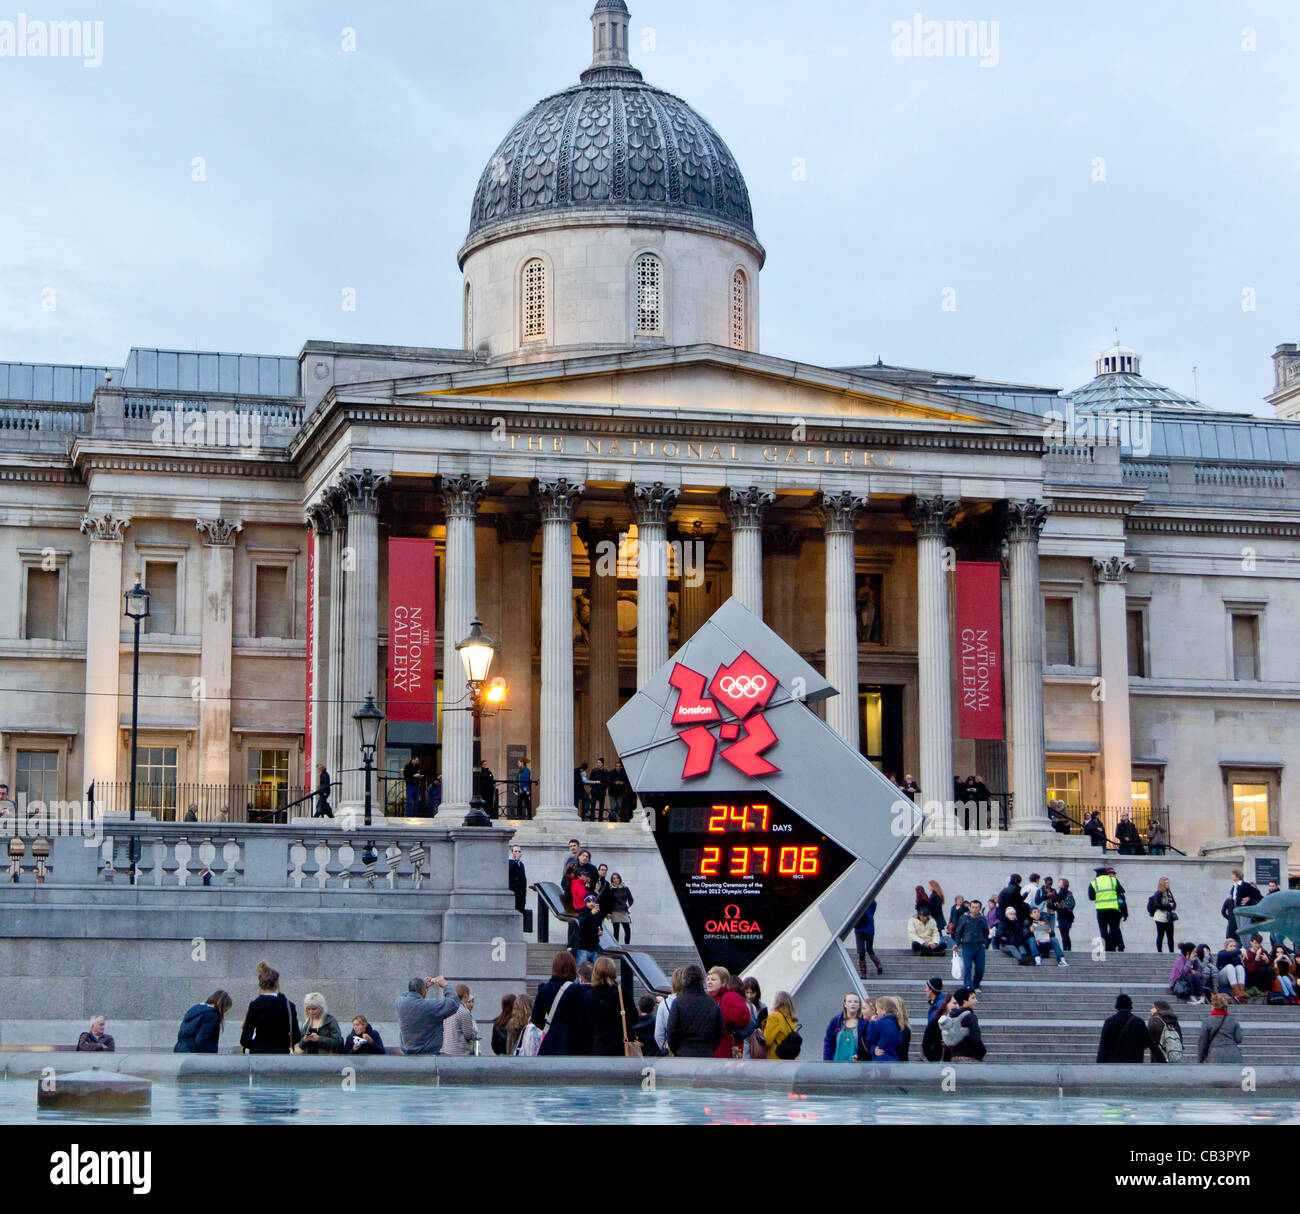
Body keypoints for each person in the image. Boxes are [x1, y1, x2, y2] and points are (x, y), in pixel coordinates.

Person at [532, 951, 592, 1056]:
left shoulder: (543, 989)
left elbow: (536, 1019)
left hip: (550, 1045)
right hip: (572, 1045)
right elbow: (584, 1021)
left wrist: (551, 1027)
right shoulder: (576, 990)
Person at [240, 962, 301, 1054]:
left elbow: (245, 1039)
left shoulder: (254, 1005)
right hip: (281, 1053)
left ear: (260, 984)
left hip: (258, 1054)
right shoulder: (288, 1006)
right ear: (277, 983)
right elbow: (296, 1036)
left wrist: (257, 1044)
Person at [666, 964, 724, 1058]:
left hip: (684, 1053)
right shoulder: (712, 1003)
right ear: (701, 980)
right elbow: (720, 1030)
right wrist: (711, 1047)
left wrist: (676, 1049)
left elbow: (671, 1031)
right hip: (706, 1053)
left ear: (684, 980)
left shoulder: (678, 1002)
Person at [394, 975, 461, 1055]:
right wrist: (445, 986)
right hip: (429, 1057)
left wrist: (421, 987)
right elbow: (453, 1003)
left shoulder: (399, 1002)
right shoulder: (429, 1007)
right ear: (423, 992)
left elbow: (406, 995)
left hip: (406, 1056)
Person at [1096, 993, 1166, 1063]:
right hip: (1135, 1063)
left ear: (1117, 1007)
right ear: (1130, 1006)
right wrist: (1163, 1061)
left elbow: (1103, 1047)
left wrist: (1099, 1065)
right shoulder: (1139, 1022)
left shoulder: (1109, 1022)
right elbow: (1151, 1044)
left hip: (1115, 1064)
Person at [706, 965, 751, 1059]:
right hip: (709, 1052)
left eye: (713, 979)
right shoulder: (706, 998)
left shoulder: (731, 996)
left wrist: (719, 1013)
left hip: (726, 1053)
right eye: (708, 979)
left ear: (723, 982)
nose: (709, 982)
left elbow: (744, 1016)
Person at [584, 956, 625, 1056]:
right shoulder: (620, 992)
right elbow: (633, 1017)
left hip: (597, 1045)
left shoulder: (589, 995)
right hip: (619, 1046)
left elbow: (585, 1022)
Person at [940, 987, 986, 1062]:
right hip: (970, 1057)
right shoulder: (970, 1017)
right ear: (965, 1001)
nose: (976, 1001)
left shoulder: (951, 1016)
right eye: (973, 998)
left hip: (954, 1057)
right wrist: (983, 1051)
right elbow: (976, 1039)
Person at [1197, 992, 1244, 1063]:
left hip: (1215, 1055)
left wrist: (1200, 1060)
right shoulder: (1233, 1020)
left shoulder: (1207, 1021)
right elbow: (1239, 1039)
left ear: (1213, 1006)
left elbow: (1202, 1042)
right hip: (1234, 1055)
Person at [1089, 865, 1127, 952]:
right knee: (1114, 929)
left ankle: (1107, 948)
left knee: (1103, 930)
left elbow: (1091, 897)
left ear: (1097, 874)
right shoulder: (1113, 880)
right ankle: (1115, 947)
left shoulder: (1094, 883)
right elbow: (1121, 893)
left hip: (1101, 909)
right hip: (1113, 908)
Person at [954, 899, 989, 990]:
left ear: (980, 908)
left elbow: (986, 931)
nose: (974, 909)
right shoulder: (964, 918)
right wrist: (957, 943)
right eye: (972, 907)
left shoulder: (982, 919)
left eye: (976, 907)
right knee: (968, 967)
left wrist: (985, 943)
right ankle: (968, 986)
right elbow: (958, 932)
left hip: (979, 946)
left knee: (980, 969)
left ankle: (976, 984)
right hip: (967, 945)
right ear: (970, 907)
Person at [823, 992, 868, 1061]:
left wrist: (861, 1058)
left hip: (856, 1066)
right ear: (845, 1004)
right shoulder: (836, 1021)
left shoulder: (864, 1023)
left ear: (859, 1005)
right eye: (849, 1001)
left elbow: (867, 1045)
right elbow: (828, 1042)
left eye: (856, 1002)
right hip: (836, 1064)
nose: (853, 1004)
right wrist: (827, 1061)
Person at [864, 995, 908, 1062]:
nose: (877, 1012)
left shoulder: (880, 1022)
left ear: (883, 1010)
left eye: (878, 1009)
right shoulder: (897, 1022)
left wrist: (872, 1023)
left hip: (881, 1059)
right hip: (893, 1058)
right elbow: (899, 1042)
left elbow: (869, 1040)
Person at [440, 984, 481, 1057]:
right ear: (465, 995)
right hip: (459, 1052)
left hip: (444, 1050)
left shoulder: (448, 1008)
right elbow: (468, 1034)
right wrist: (474, 1036)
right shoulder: (463, 1011)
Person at [1222, 870, 1262, 943]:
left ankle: (1247, 946)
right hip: (1236, 909)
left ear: (1237, 876)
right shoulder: (1234, 885)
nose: (1231, 876)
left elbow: (1256, 892)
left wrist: (1249, 897)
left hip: (1243, 909)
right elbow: (1232, 895)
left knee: (1244, 931)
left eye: (1233, 875)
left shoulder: (1244, 885)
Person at [920, 979, 951, 1062]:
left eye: (926, 988)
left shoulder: (939, 1005)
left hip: (937, 1046)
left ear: (931, 990)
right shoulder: (936, 1003)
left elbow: (934, 1027)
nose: (925, 990)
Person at [655, 967, 684, 1054]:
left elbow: (658, 1034)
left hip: (672, 1050)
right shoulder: (694, 1002)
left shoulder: (665, 1004)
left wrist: (665, 1049)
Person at [763, 990, 800, 1059]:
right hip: (788, 1060)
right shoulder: (792, 1020)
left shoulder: (774, 1017)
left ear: (777, 1002)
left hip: (774, 1060)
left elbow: (767, 1041)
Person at [572, 893, 604, 966]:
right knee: (581, 969)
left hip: (594, 946)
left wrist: (600, 931)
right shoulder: (582, 912)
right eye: (589, 902)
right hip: (583, 947)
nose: (591, 903)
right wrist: (591, 914)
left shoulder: (597, 914)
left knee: (594, 972)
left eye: (593, 901)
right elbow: (582, 923)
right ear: (585, 903)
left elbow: (600, 925)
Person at [854, 899, 882, 978]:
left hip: (867, 929)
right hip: (861, 929)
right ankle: (864, 972)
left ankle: (877, 965)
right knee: (862, 952)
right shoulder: (861, 902)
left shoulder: (871, 903)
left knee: (868, 950)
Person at [607, 872, 634, 943]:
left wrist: (627, 906)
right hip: (615, 912)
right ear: (612, 880)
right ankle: (617, 947)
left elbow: (631, 899)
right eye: (614, 878)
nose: (616, 880)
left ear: (620, 879)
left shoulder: (625, 888)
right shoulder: (611, 890)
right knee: (616, 931)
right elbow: (609, 902)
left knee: (627, 930)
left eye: (617, 878)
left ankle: (627, 945)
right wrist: (609, 912)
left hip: (624, 912)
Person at [1055, 878, 1076, 951]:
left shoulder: (1063, 892)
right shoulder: (1068, 893)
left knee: (1064, 934)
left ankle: (1066, 950)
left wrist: (1058, 905)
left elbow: (1057, 902)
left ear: (1064, 884)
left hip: (1064, 916)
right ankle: (1068, 949)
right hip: (1067, 916)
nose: (1058, 883)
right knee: (1065, 934)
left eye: (1060, 882)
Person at [508, 844, 527, 916]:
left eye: (519, 851)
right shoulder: (510, 862)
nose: (517, 853)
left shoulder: (521, 864)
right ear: (512, 852)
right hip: (514, 892)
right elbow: (510, 870)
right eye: (515, 851)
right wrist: (515, 860)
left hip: (521, 893)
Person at [589, 756, 609, 821]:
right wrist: (594, 786)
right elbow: (590, 780)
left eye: (599, 763)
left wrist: (603, 787)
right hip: (594, 791)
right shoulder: (594, 771)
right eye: (597, 763)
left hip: (601, 792)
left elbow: (607, 782)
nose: (598, 764)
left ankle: (600, 819)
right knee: (593, 806)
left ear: (602, 764)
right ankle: (592, 818)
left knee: (601, 807)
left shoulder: (605, 771)